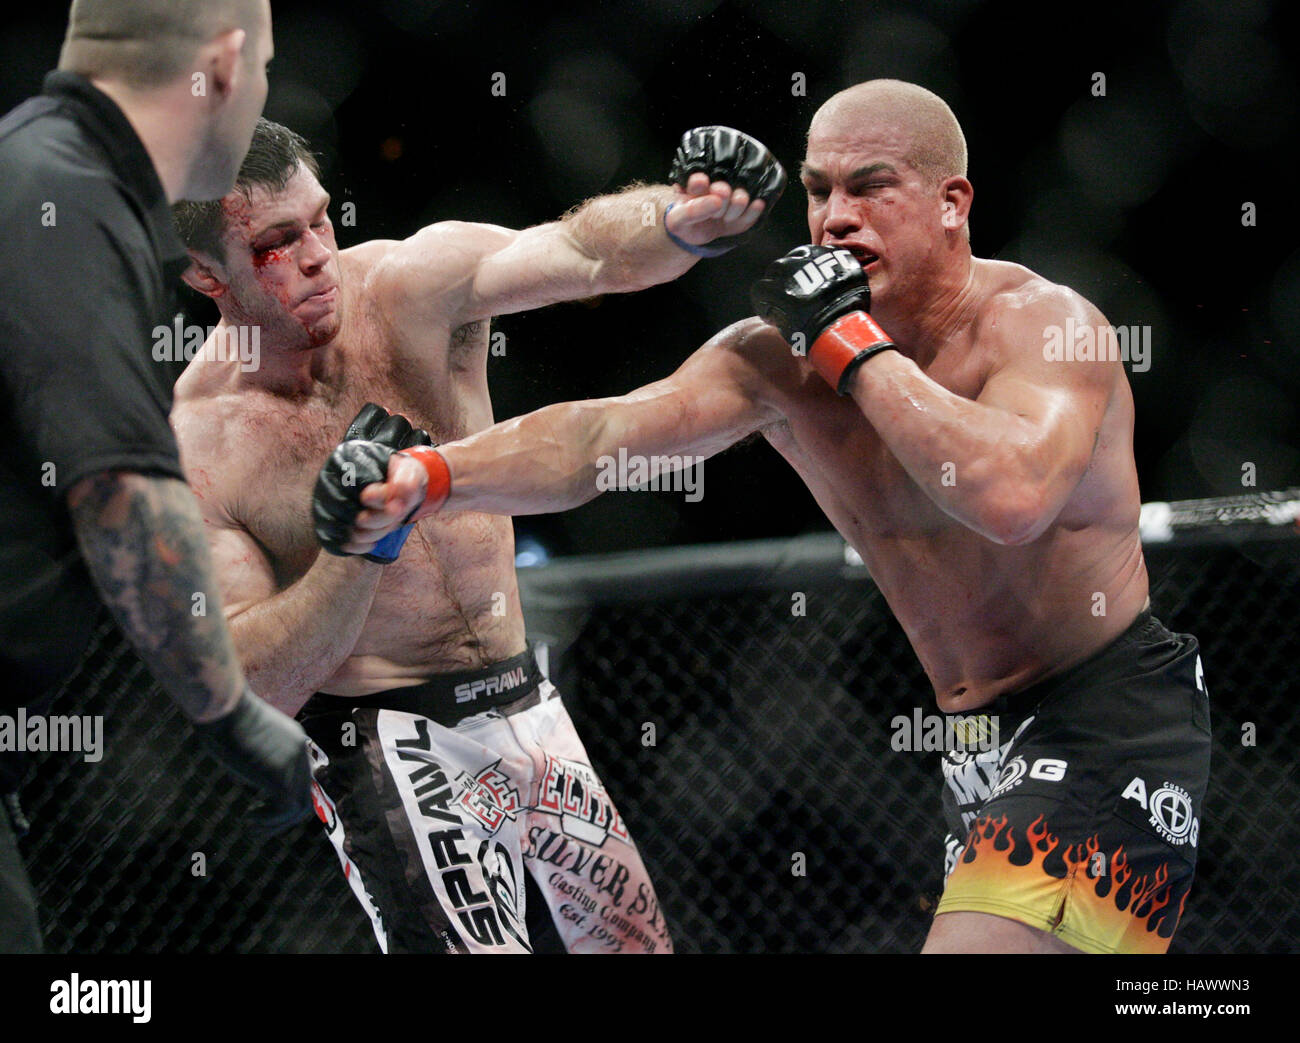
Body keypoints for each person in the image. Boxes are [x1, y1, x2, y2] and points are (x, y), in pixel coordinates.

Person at [325, 79, 1212, 955]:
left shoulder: (1045, 327)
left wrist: (853, 347)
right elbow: (602, 436)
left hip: (1106, 716)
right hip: (972, 745)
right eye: (820, 191)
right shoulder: (779, 363)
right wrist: (430, 472)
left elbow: (1010, 499)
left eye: (870, 187)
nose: (835, 219)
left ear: (953, 202)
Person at [169, 117, 785, 953]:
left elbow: (582, 250)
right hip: (386, 736)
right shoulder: (203, 442)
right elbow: (255, 684)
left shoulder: (406, 287)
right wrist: (356, 550)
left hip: (524, 701)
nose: (318, 254)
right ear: (206, 272)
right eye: (277, 243)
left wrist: (678, 217)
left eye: (320, 219)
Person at [0, 0, 315, 955]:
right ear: (223, 66)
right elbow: (123, 490)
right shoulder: (60, 192)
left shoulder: (40, 165)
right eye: (263, 64)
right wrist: (228, 711)